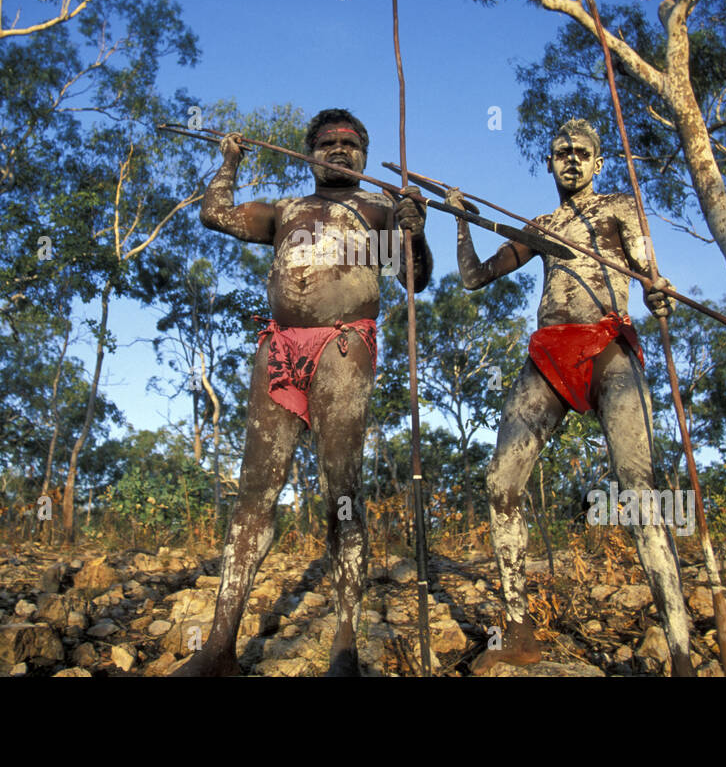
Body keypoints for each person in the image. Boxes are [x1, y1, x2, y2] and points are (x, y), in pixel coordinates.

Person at [173, 109, 432, 676]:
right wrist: (229, 162)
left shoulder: (377, 210)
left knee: (342, 488)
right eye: (327, 142)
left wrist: (414, 227)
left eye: (350, 144)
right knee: (255, 493)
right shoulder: (286, 210)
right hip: (279, 348)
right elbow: (214, 215)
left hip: (345, 348)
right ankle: (218, 647)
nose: (339, 150)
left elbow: (414, 277)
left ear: (365, 155)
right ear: (310, 151)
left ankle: (344, 646)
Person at [446, 118, 695, 677]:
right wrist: (462, 223)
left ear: (599, 162)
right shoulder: (542, 225)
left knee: (640, 492)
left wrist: (659, 290)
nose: (573, 160)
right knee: (500, 483)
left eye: (583, 152)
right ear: (550, 162)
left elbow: (649, 272)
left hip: (607, 346)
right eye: (562, 152)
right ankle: (518, 632)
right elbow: (473, 277)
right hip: (550, 353)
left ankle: (680, 654)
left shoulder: (618, 206)